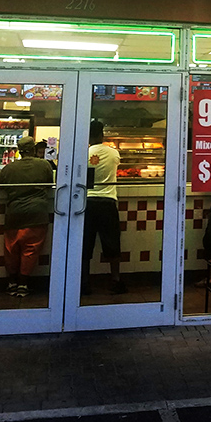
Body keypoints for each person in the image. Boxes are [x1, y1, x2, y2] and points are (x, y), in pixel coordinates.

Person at [0, 135, 54, 297]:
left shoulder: (9, 168)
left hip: (14, 213)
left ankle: (12, 282)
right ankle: (23, 284)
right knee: (31, 250)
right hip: (37, 213)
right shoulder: (44, 165)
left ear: (19, 151)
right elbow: (50, 184)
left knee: (11, 249)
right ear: (34, 149)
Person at [81, 120, 127, 295]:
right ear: (102, 134)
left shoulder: (84, 153)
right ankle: (116, 280)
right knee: (112, 243)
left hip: (88, 203)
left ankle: (84, 283)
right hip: (108, 202)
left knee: (85, 244)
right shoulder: (113, 152)